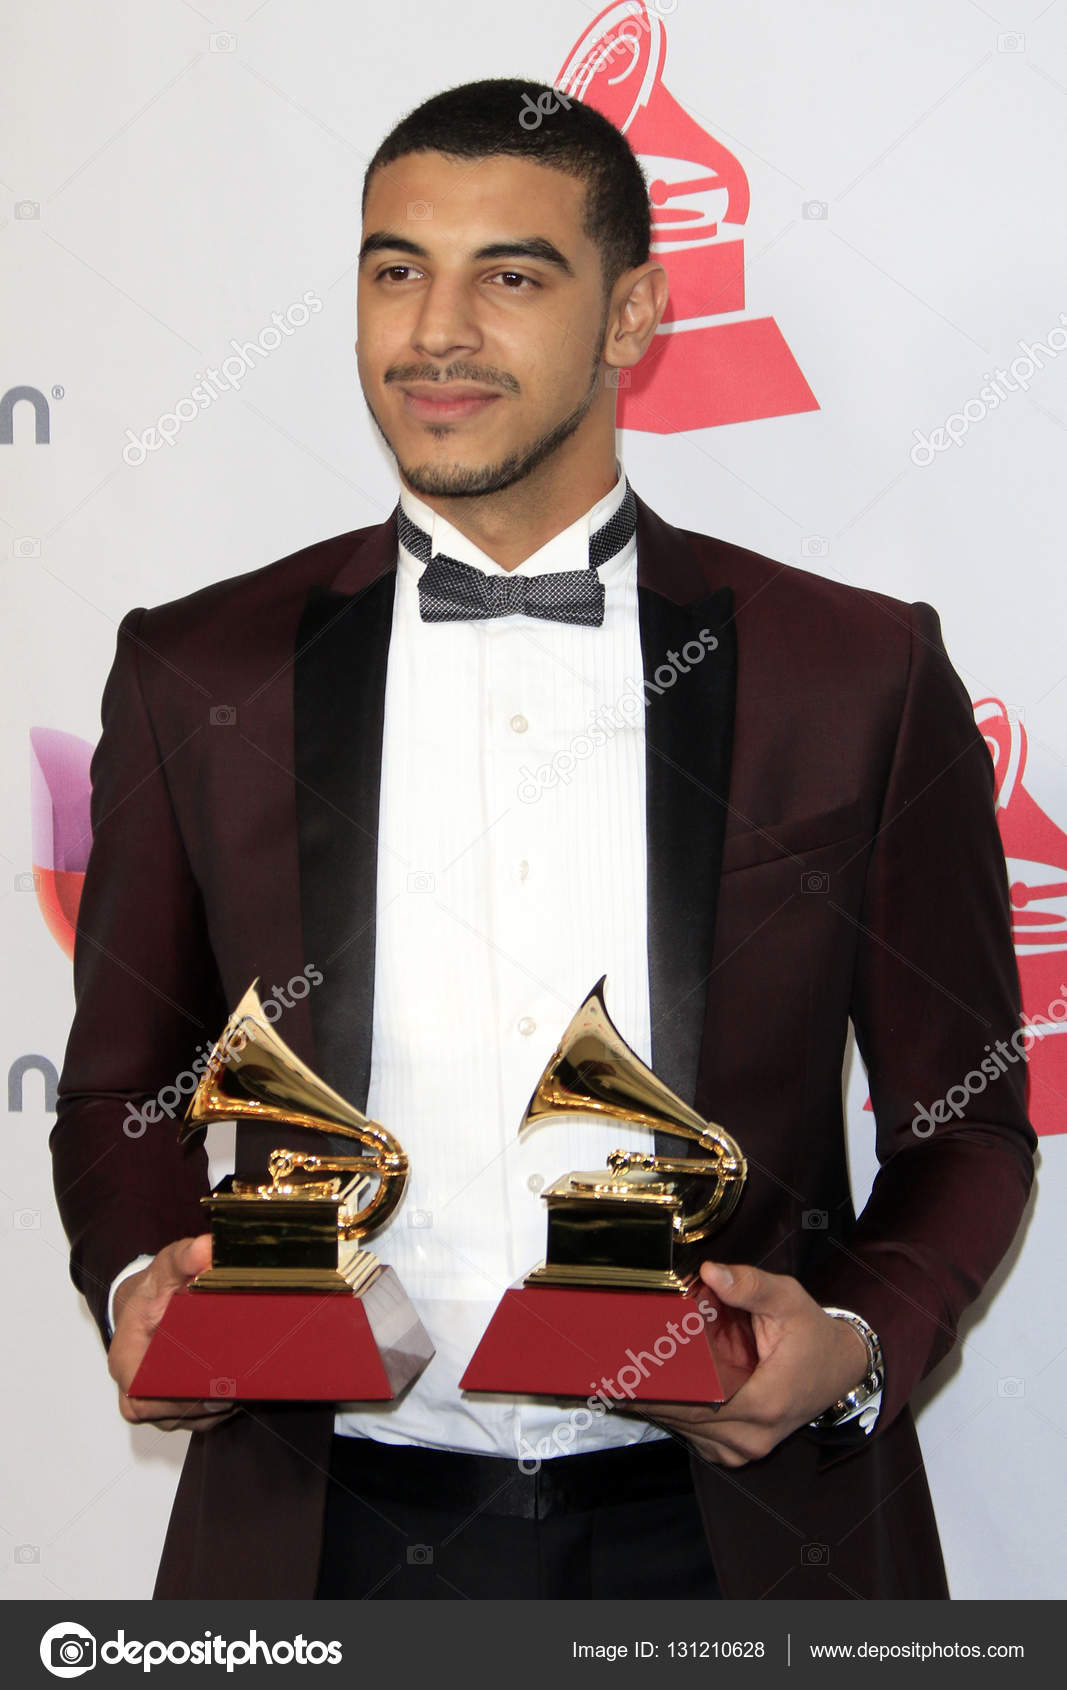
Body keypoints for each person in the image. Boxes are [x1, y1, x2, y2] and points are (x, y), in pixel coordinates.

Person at [52, 78, 1035, 1602]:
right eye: (396, 271)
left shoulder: (852, 673)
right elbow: (120, 1086)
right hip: (318, 1537)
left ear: (632, 315)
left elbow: (965, 1123)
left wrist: (852, 1346)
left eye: (510, 276)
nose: (435, 334)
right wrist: (141, 1280)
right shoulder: (200, 671)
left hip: (744, 1532)